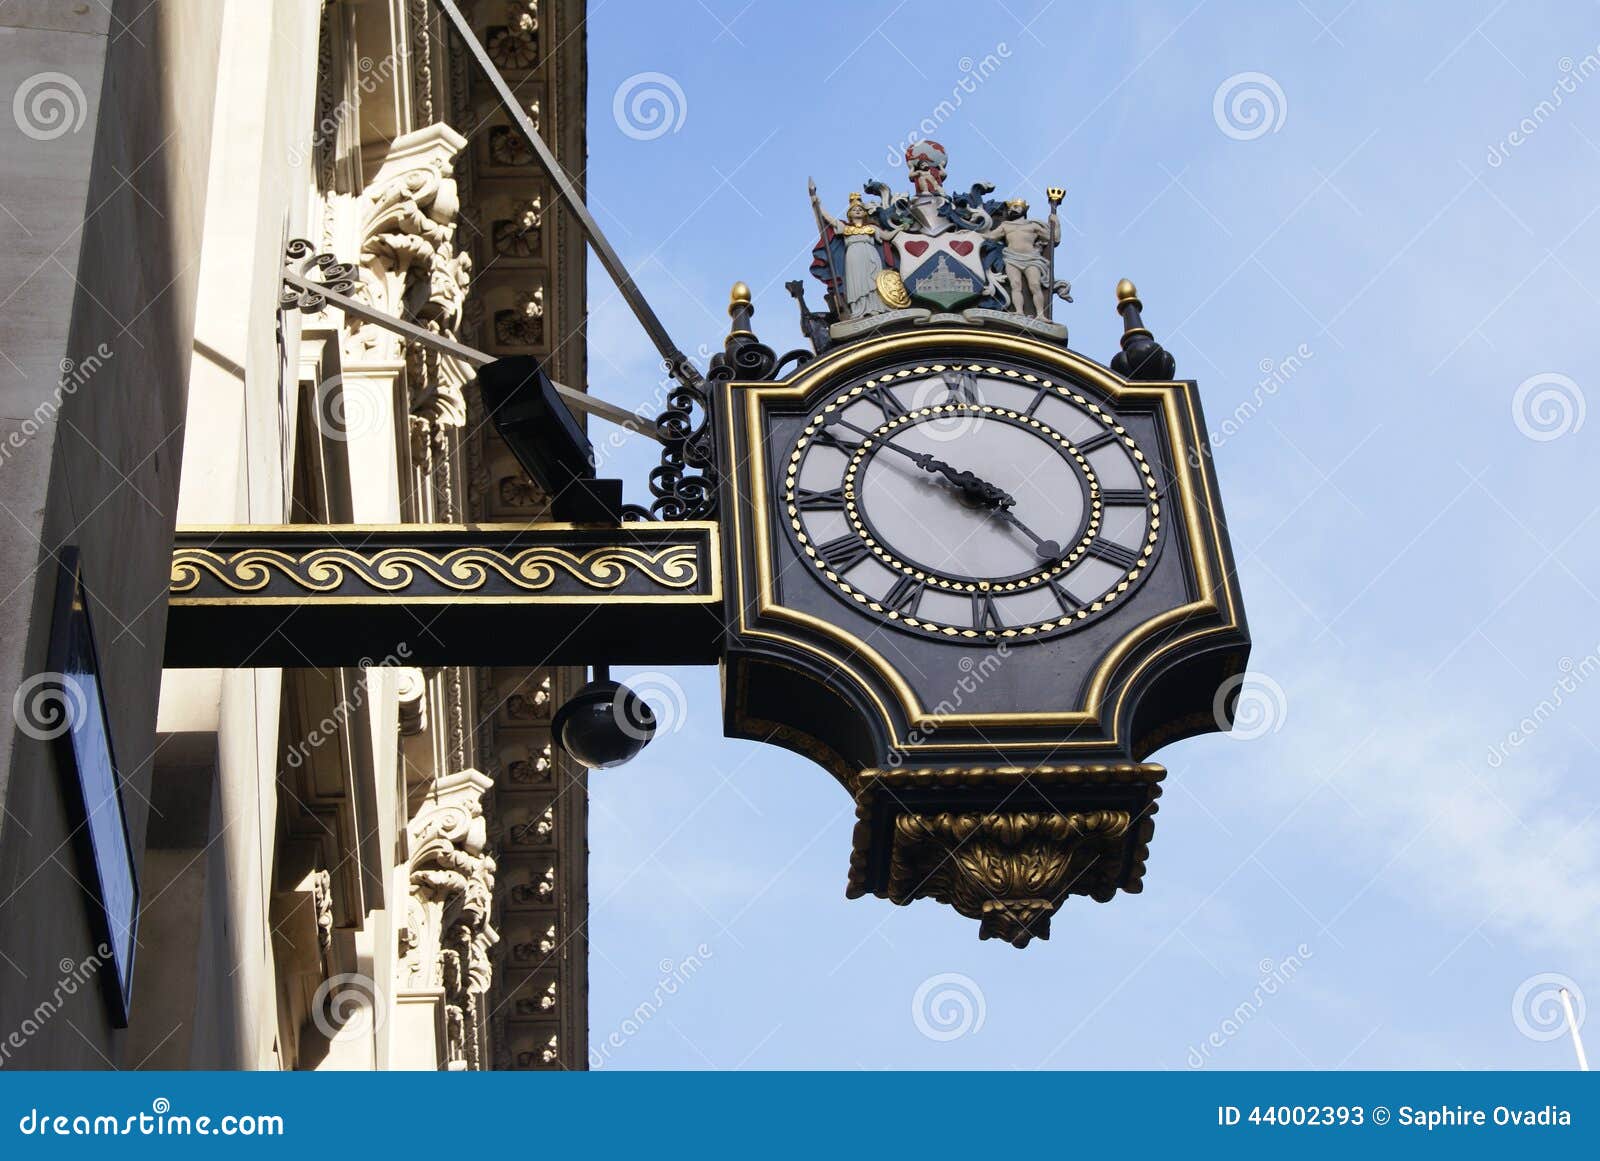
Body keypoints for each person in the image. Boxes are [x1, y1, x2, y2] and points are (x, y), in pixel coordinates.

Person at [811, 189, 895, 318]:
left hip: (870, 255)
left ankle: (877, 307)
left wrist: (900, 229)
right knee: (857, 281)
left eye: (860, 209)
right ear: (849, 213)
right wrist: (818, 204)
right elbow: (828, 219)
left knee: (873, 280)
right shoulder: (846, 228)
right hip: (854, 256)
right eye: (854, 209)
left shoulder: (872, 228)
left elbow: (887, 236)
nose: (858, 211)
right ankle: (859, 309)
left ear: (865, 213)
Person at [984, 199, 1059, 318]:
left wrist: (1056, 222)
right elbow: (990, 237)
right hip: (1011, 257)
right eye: (1010, 209)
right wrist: (971, 232)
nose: (1012, 210)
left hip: (1031, 258)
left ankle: (1040, 315)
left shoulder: (1033, 225)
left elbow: (1053, 238)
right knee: (1015, 285)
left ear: (1024, 209)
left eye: (1016, 207)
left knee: (1035, 285)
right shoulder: (1006, 226)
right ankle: (1019, 311)